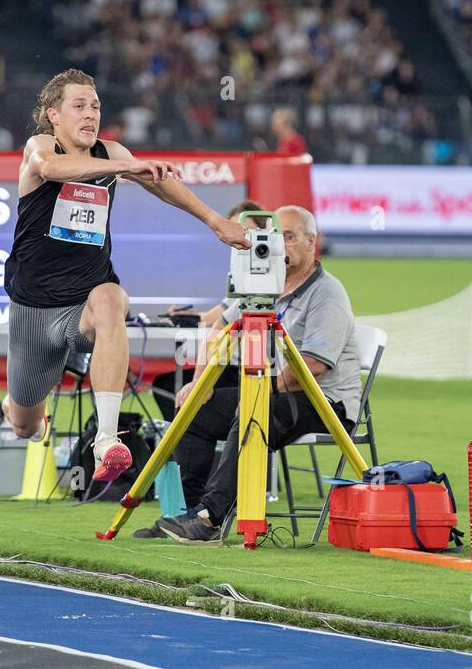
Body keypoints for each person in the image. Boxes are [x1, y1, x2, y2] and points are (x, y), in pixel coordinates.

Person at [1, 68, 249, 483]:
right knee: (26, 426)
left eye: (95, 106)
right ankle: (17, 405)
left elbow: (156, 181)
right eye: (78, 106)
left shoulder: (110, 152)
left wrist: (214, 221)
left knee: (112, 298)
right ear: (54, 115)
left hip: (83, 304)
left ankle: (105, 438)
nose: (90, 114)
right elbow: (50, 168)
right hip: (34, 309)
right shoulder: (41, 146)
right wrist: (123, 166)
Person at [142, 206, 362, 544]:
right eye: (278, 237)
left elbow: (314, 365)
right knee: (194, 409)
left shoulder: (327, 294)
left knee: (252, 412)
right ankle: (187, 512)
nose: (283, 245)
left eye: (290, 237)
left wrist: (260, 392)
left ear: (311, 242)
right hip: (276, 392)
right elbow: (220, 326)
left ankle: (210, 519)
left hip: (326, 404)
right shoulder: (267, 283)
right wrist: (200, 383)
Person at [149, 199, 273, 422]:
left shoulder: (263, 280)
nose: (239, 239)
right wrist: (183, 316)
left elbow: (214, 321)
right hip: (234, 366)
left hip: (251, 370)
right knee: (171, 387)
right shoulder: (244, 279)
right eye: (235, 231)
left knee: (179, 392)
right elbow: (214, 319)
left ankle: (190, 440)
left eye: (246, 230)